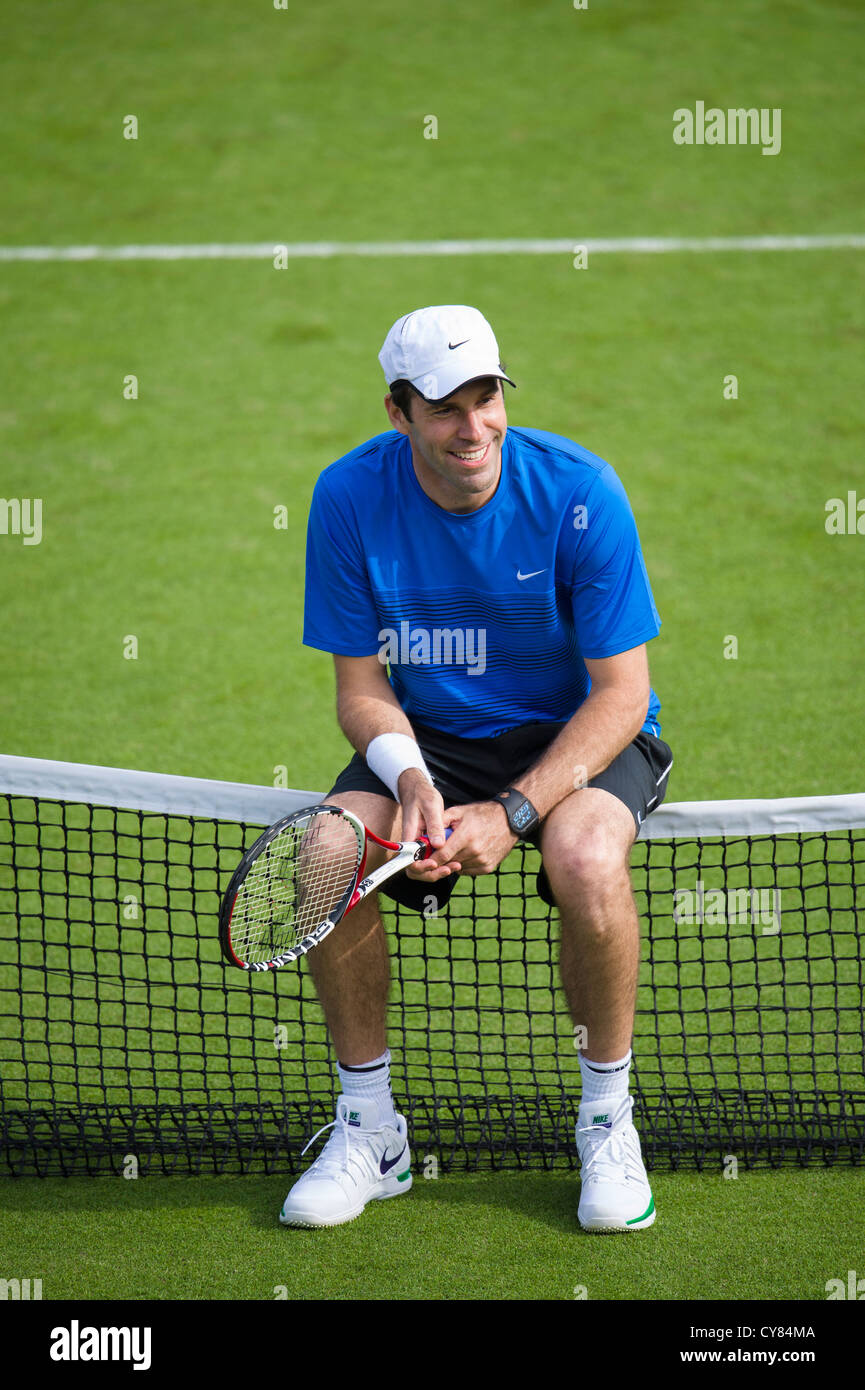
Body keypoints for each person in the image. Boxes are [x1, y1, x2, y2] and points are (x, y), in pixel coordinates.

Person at [280, 304, 673, 1232]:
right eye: (445, 407)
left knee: (581, 856)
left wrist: (513, 812)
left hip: (577, 733)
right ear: (398, 412)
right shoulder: (346, 496)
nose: (473, 428)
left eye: (486, 397)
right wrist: (411, 777)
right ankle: (371, 1130)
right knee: (325, 855)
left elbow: (621, 695)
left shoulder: (580, 492)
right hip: (435, 740)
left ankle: (606, 1120)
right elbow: (361, 690)